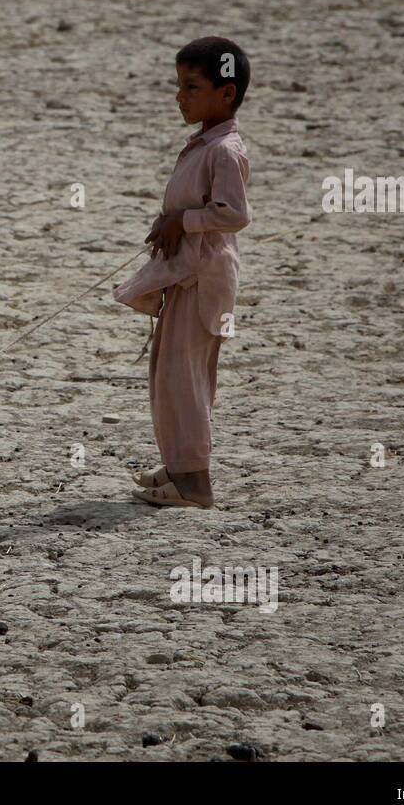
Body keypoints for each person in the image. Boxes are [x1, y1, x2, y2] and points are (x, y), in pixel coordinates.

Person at [112, 36, 252, 508]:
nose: (180, 96)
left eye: (192, 87)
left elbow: (233, 214)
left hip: (204, 279)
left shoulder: (225, 150)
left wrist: (184, 221)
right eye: (179, 86)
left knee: (186, 377)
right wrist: (168, 223)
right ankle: (178, 466)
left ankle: (195, 482)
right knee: (169, 374)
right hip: (187, 273)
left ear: (225, 93)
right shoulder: (204, 144)